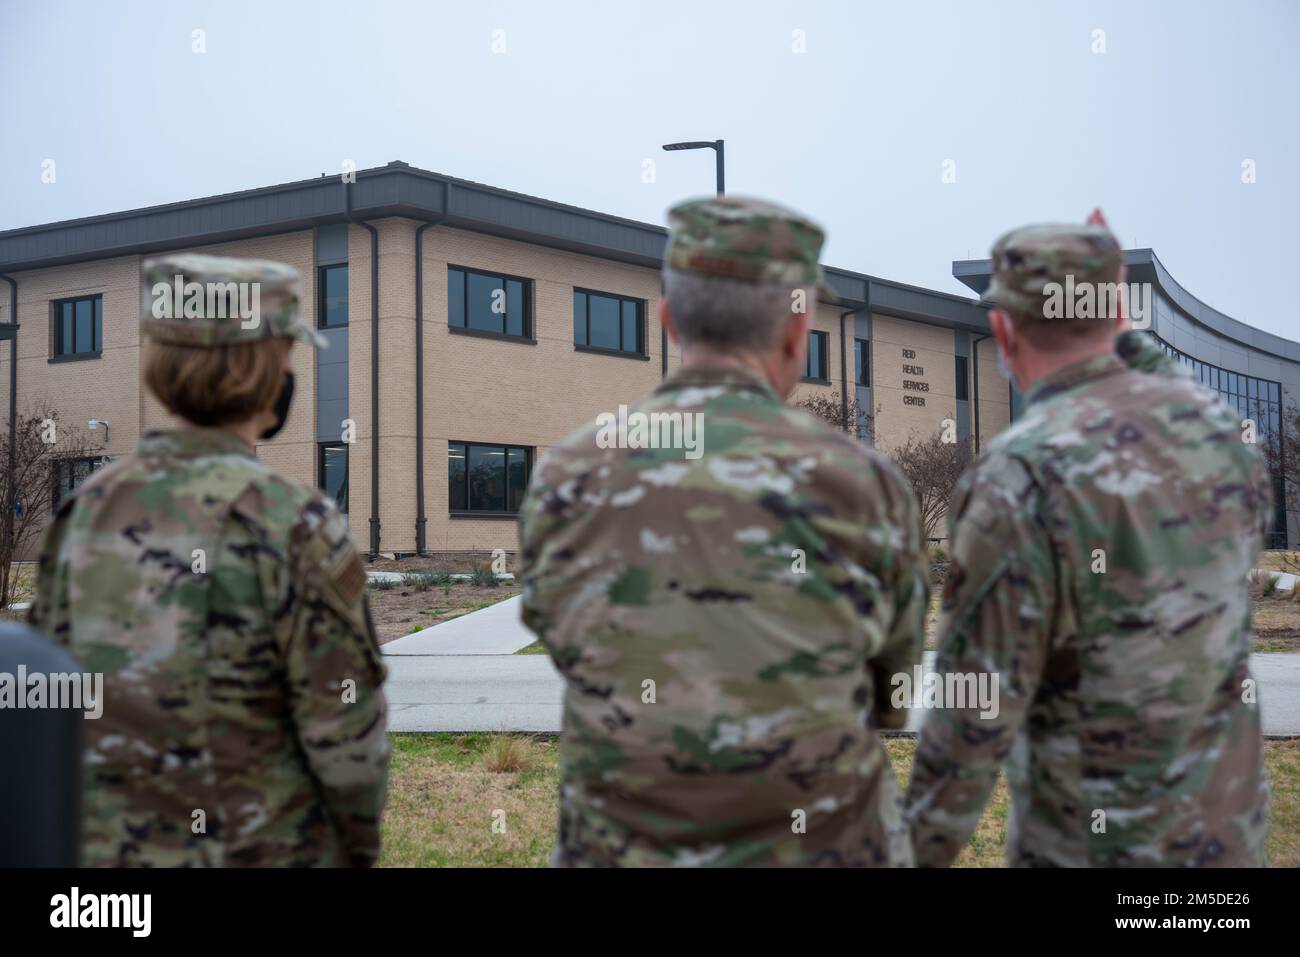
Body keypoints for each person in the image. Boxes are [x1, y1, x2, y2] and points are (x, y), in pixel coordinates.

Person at [519, 196, 929, 867]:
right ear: (798, 328)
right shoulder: (861, 482)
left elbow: (561, 635)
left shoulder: (569, 471)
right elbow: (893, 692)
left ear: (668, 318)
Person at [905, 215, 1272, 866]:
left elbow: (973, 715)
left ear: (1002, 328)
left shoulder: (1020, 473)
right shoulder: (1222, 439)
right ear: (1118, 320)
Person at [29, 253, 389, 867]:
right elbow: (344, 727)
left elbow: (48, 698)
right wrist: (357, 847)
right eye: (287, 356)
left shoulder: (84, 511)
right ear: (264, 371)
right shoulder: (294, 522)